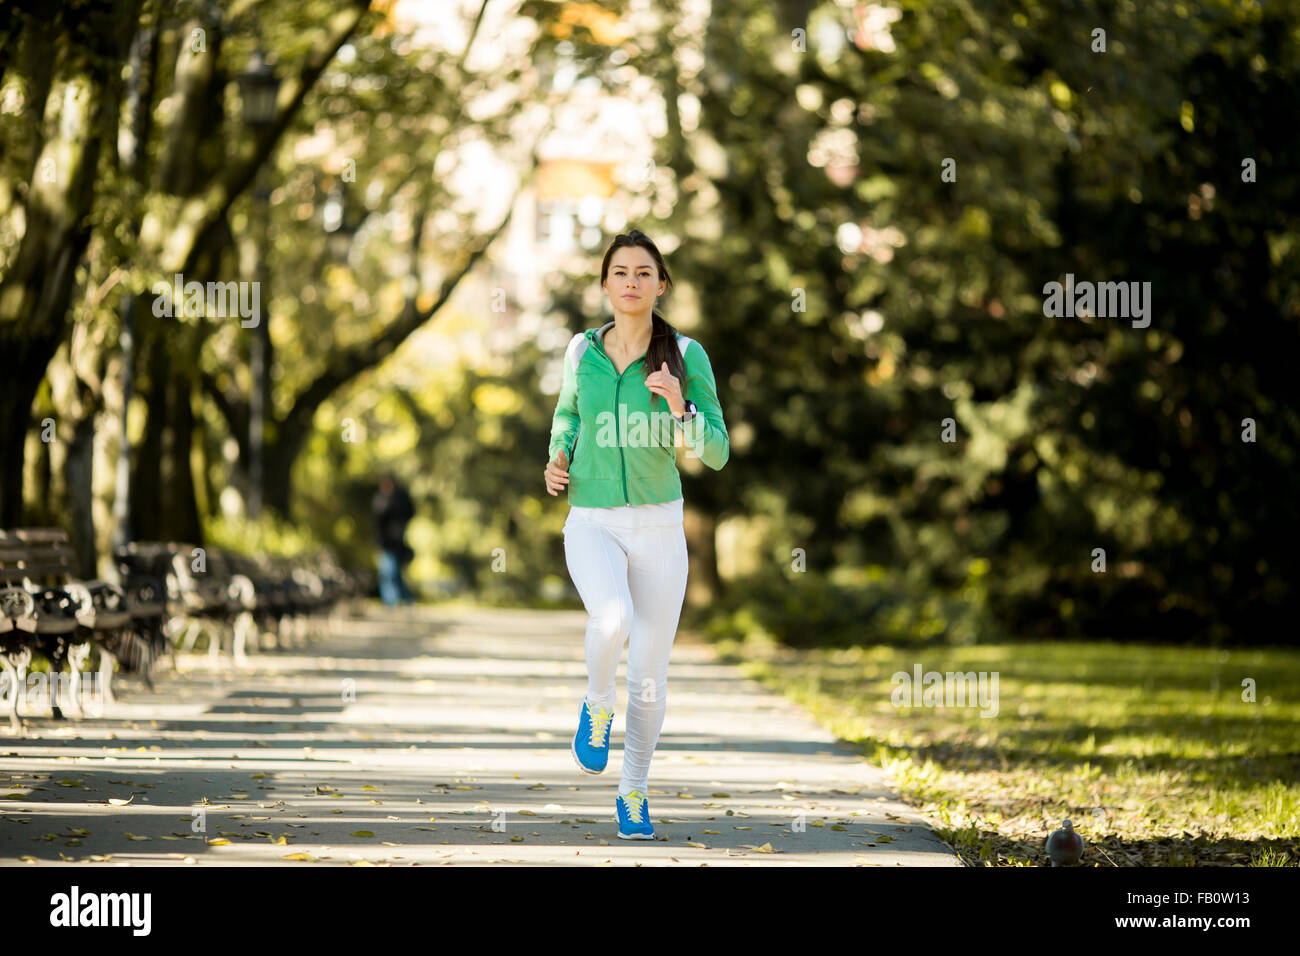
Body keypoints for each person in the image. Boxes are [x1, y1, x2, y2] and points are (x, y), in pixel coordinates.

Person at [544, 228, 729, 840]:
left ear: (661, 284)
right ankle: (598, 704)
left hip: (659, 527)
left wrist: (681, 407)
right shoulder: (580, 352)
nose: (631, 282)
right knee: (611, 619)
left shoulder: (685, 355)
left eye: (644, 273)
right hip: (591, 520)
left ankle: (634, 791)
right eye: (620, 272)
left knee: (650, 673)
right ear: (605, 284)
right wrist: (560, 454)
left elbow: (718, 452)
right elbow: (568, 413)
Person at [372, 474, 415, 606]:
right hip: (385, 543)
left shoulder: (400, 500)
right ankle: (396, 600)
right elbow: (377, 520)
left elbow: (410, 512)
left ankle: (399, 600)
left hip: (397, 543)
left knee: (392, 572)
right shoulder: (380, 499)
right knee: (388, 573)